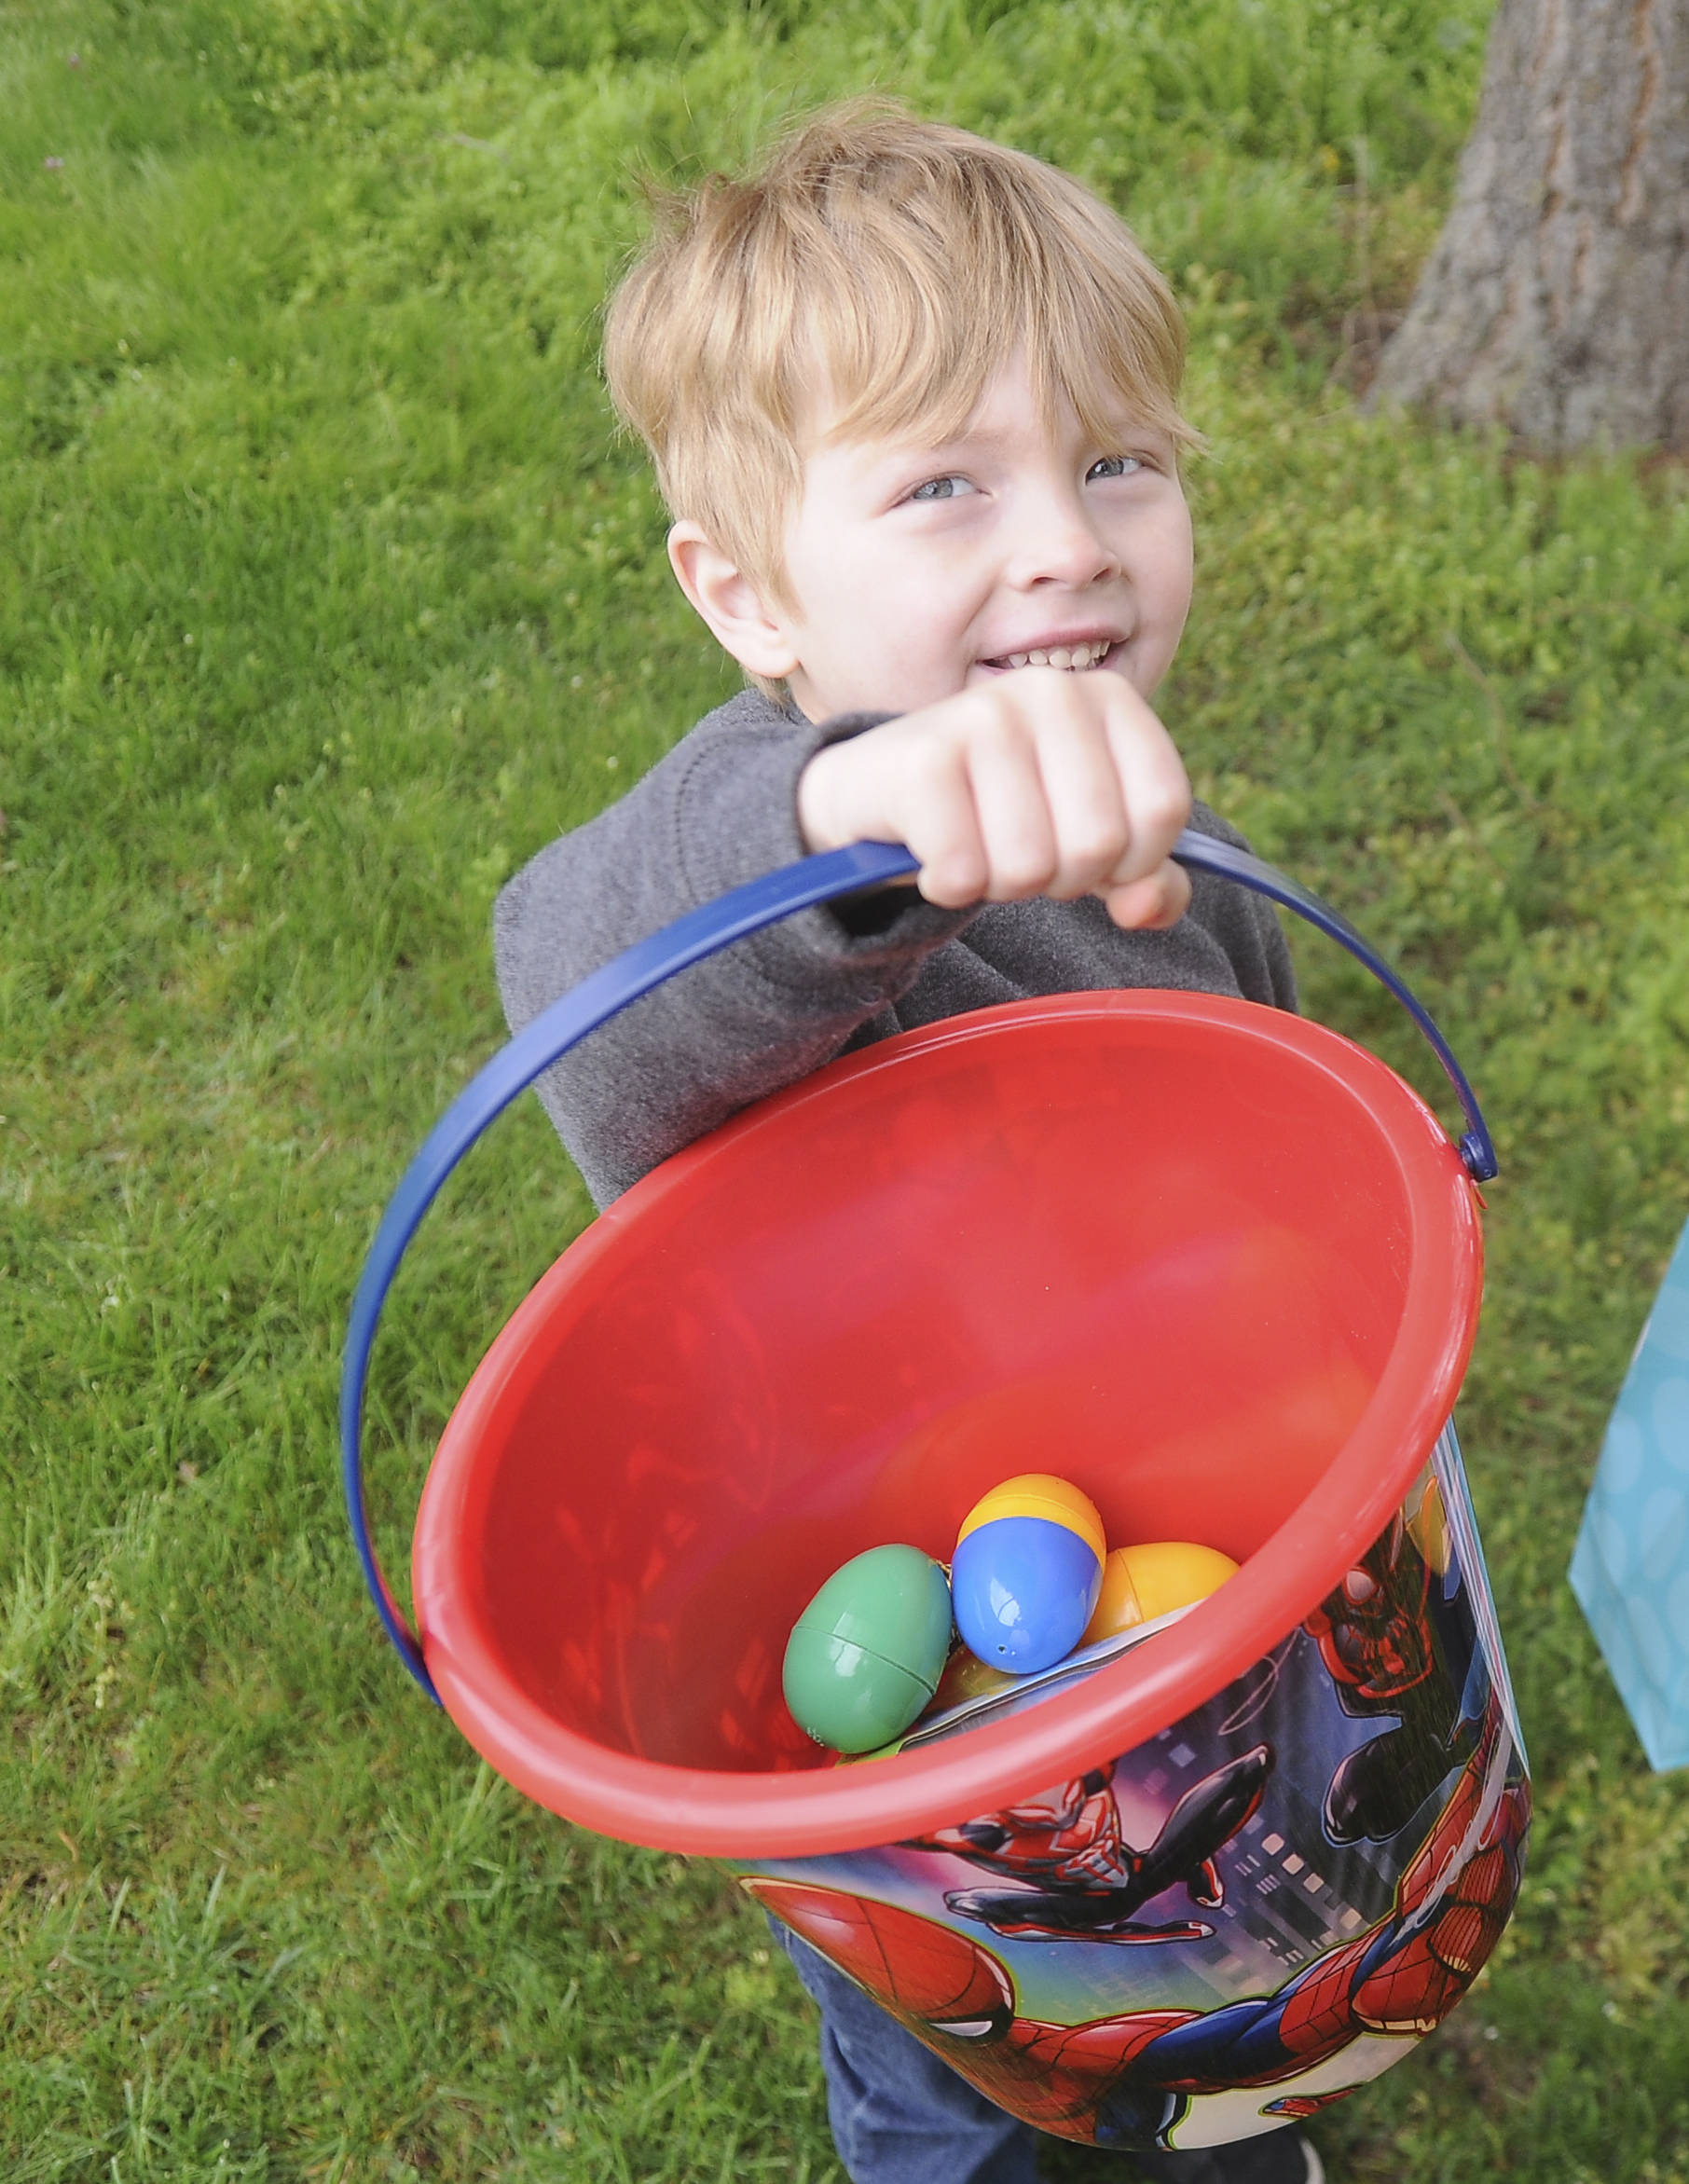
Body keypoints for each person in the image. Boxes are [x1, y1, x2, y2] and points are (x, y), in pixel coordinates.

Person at [494, 101, 1317, 2184]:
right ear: (748, 598)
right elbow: (571, 960)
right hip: (923, 1765)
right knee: (957, 2089)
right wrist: (851, 823)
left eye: (1117, 460)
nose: (1068, 542)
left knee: (1227, 2009)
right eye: (946, 484)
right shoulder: (779, 885)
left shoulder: (1174, 862)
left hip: (1192, 1614)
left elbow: (1289, 1156)